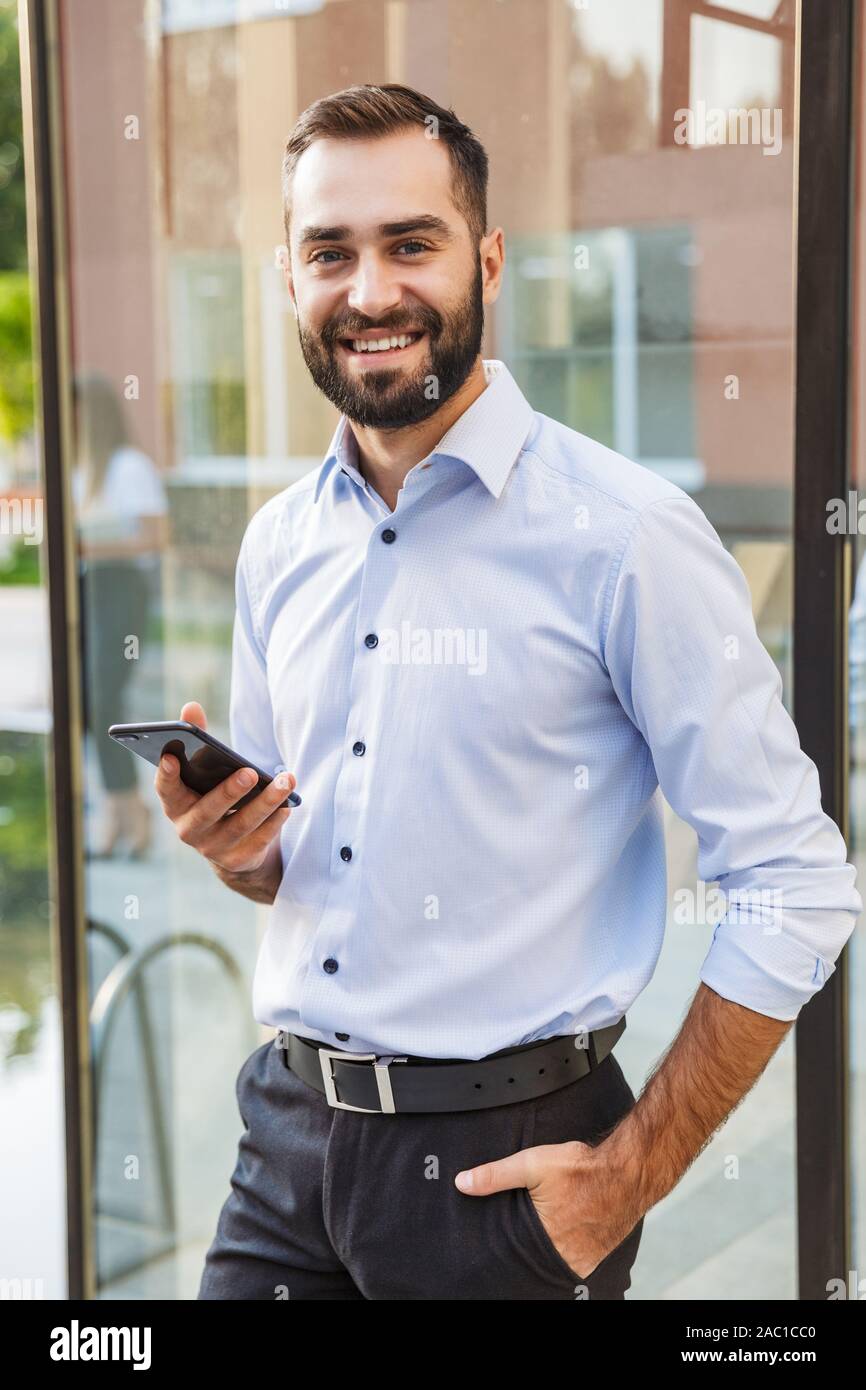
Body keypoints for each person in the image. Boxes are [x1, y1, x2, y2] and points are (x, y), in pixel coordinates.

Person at [154, 84, 862, 1300]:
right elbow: (290, 862)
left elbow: (794, 882)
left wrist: (622, 1180)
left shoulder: (624, 537)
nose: (370, 292)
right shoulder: (278, 545)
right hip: (281, 1148)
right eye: (330, 251)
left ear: (486, 258)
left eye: (409, 243)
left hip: (504, 1177)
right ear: (288, 279)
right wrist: (233, 851)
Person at [73, 371, 168, 858]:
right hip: (87, 590)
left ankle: (132, 813)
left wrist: (87, 544)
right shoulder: (79, 470)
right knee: (88, 705)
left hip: (121, 589)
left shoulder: (129, 467)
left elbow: (154, 538)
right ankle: (116, 812)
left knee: (106, 700)